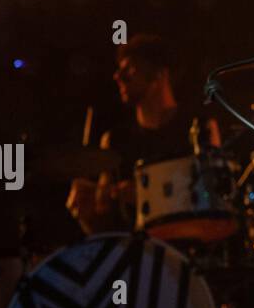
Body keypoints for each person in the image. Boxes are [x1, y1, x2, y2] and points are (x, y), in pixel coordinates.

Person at [66, 34, 221, 234]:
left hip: (189, 254)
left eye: (130, 69)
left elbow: (214, 201)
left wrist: (150, 197)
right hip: (136, 260)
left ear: (159, 75)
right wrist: (86, 214)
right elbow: (105, 232)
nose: (117, 76)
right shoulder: (114, 141)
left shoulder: (200, 128)